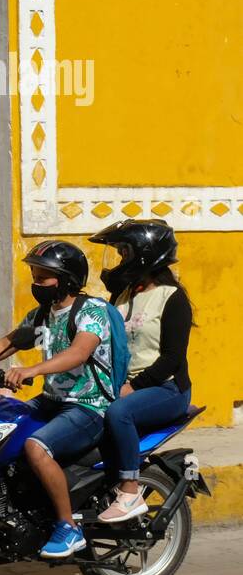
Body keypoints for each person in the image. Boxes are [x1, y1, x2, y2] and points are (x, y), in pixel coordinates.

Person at [0, 240, 113, 559]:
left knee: (36, 446)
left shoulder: (92, 311)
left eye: (43, 276)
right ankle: (14, 507)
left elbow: (78, 353)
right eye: (34, 274)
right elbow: (7, 344)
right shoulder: (42, 315)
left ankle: (67, 527)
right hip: (52, 402)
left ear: (67, 279)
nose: (36, 283)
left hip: (89, 407)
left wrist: (32, 369)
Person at [88, 219, 193, 522]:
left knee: (120, 413)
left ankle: (130, 491)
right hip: (124, 385)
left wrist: (133, 387)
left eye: (124, 253)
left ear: (144, 255)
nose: (119, 261)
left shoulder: (172, 298)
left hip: (167, 388)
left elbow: (172, 358)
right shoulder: (121, 297)